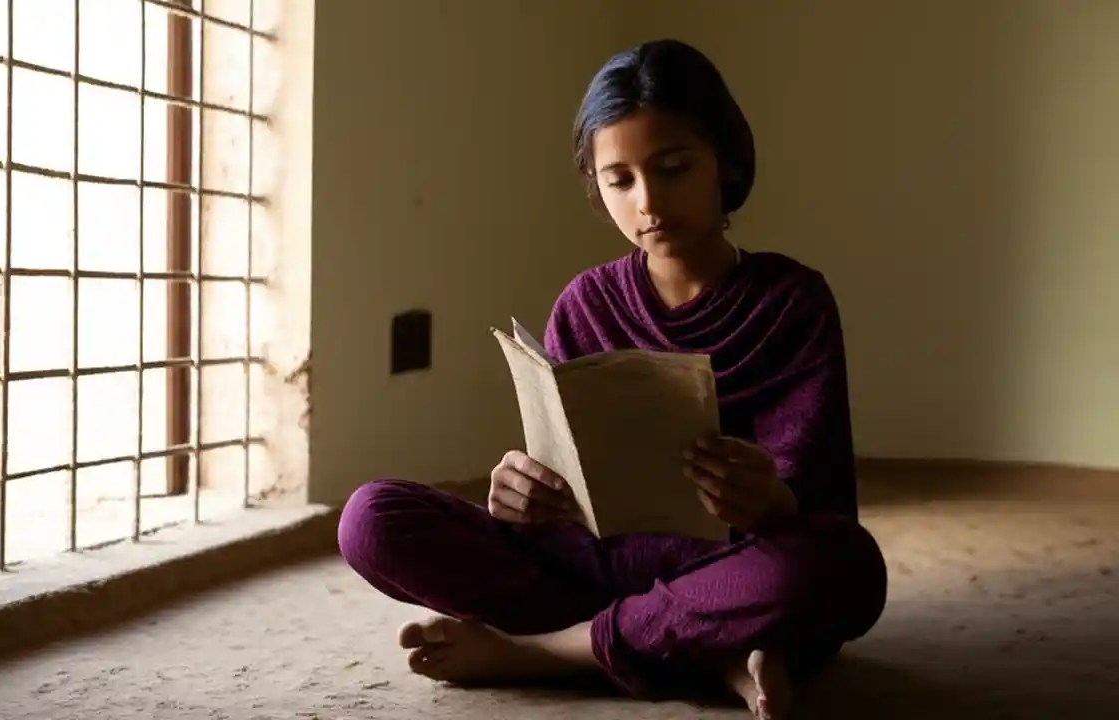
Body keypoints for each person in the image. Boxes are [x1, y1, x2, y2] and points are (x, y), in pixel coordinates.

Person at [337, 38, 888, 720]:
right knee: (371, 518)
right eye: (619, 179)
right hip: (595, 567)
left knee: (845, 569)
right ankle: (705, 650)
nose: (648, 202)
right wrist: (520, 490)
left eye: (674, 168)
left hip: (735, 567)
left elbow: (818, 502)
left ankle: (543, 652)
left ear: (727, 159)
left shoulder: (793, 300)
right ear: (595, 185)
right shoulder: (586, 302)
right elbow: (566, 484)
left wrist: (767, 497)